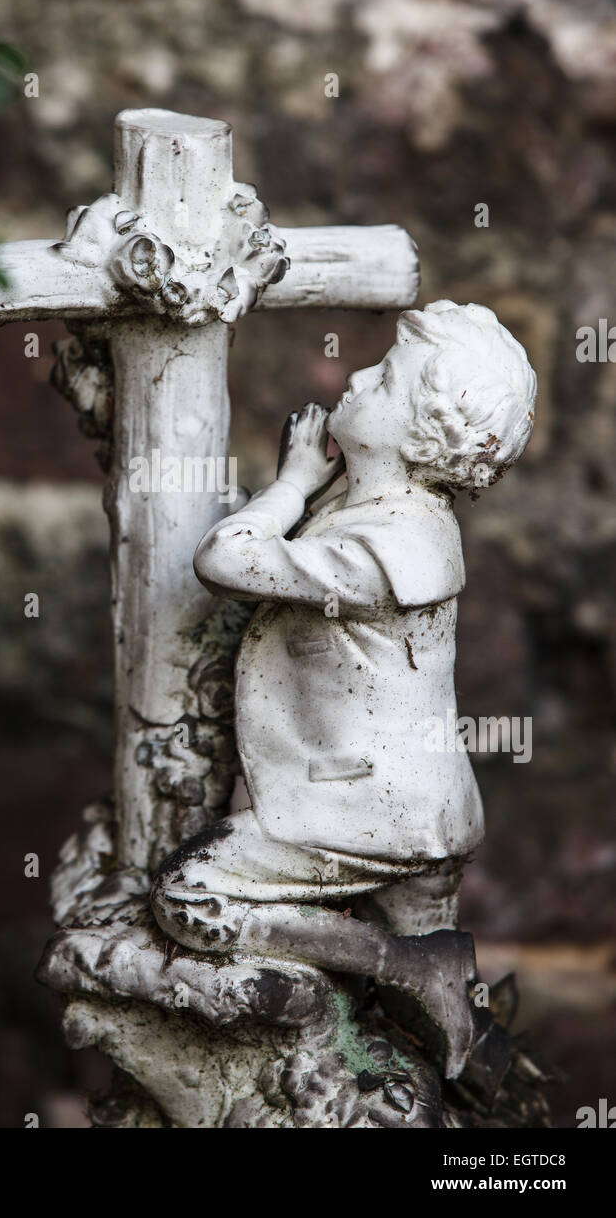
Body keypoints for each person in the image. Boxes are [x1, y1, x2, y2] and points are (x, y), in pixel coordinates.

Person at [152, 300, 537, 1078]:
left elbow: (225, 559)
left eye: (386, 377)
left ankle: (404, 966)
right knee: (443, 1040)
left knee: (189, 899)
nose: (358, 375)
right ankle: (458, 1032)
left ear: (426, 428)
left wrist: (291, 483)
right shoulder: (380, 510)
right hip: (420, 810)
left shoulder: (393, 548)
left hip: (371, 812)